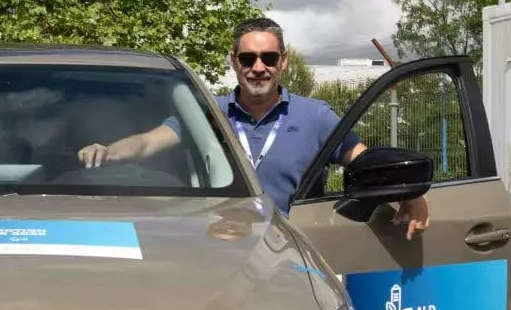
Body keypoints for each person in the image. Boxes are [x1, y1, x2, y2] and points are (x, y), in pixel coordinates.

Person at [79, 16, 432, 235]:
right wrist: (108, 151)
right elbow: (146, 142)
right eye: (247, 58)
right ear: (234, 62)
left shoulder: (316, 116)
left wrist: (410, 191)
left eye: (268, 58)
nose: (258, 67)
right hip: (218, 251)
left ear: (283, 62)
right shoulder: (207, 113)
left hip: (296, 254)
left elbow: (366, 161)